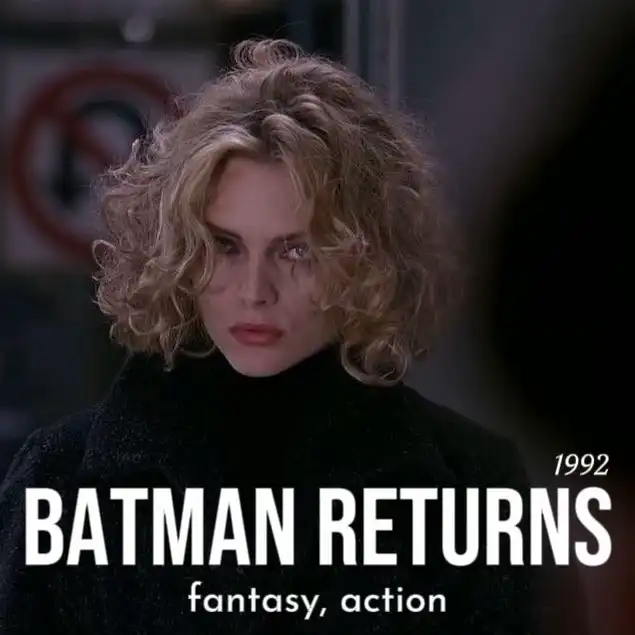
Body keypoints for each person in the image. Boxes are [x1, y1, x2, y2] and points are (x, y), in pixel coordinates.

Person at [0, 39, 544, 634]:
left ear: (366, 260)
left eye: (296, 250)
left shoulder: (475, 486)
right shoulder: (61, 481)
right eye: (225, 246)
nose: (255, 291)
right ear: (181, 252)